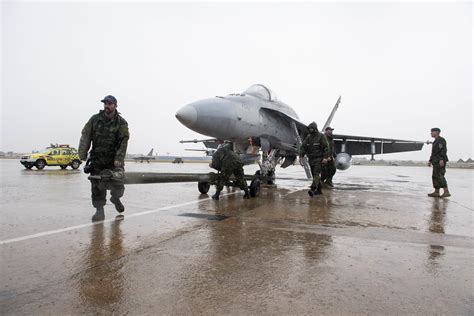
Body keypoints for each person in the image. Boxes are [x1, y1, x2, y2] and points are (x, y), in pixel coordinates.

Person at [79, 95, 130, 221]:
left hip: (114, 162)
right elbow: (86, 135)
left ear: (115, 105)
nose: (107, 106)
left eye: (110, 103)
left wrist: (119, 158)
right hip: (97, 160)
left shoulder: (121, 122)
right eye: (105, 103)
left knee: (118, 185)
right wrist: (82, 153)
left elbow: (123, 141)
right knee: (97, 187)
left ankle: (115, 198)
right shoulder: (95, 120)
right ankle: (99, 211)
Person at [299, 122, 330, 196]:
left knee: (316, 174)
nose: (310, 130)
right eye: (309, 128)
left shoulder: (321, 136)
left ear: (315, 129)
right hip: (311, 159)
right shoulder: (308, 137)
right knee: (314, 175)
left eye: (311, 128)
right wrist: (301, 156)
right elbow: (303, 147)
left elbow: (326, 147)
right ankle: (319, 191)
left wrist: (325, 157)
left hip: (319, 159)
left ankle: (312, 189)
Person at [428, 128, 450, 198]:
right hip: (435, 161)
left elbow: (443, 150)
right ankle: (436, 192)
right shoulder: (435, 141)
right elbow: (433, 153)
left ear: (437, 132)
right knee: (435, 176)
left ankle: (446, 191)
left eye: (432, 132)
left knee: (440, 176)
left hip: (439, 161)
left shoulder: (441, 140)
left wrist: (441, 159)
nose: (431, 133)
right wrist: (430, 160)